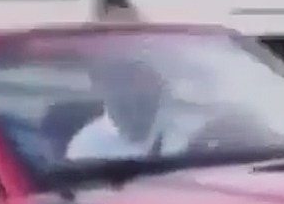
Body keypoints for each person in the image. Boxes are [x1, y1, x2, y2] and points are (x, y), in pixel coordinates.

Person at [65, 55, 197, 161]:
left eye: (144, 82)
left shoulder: (185, 135)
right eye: (124, 80)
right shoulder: (87, 146)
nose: (134, 92)